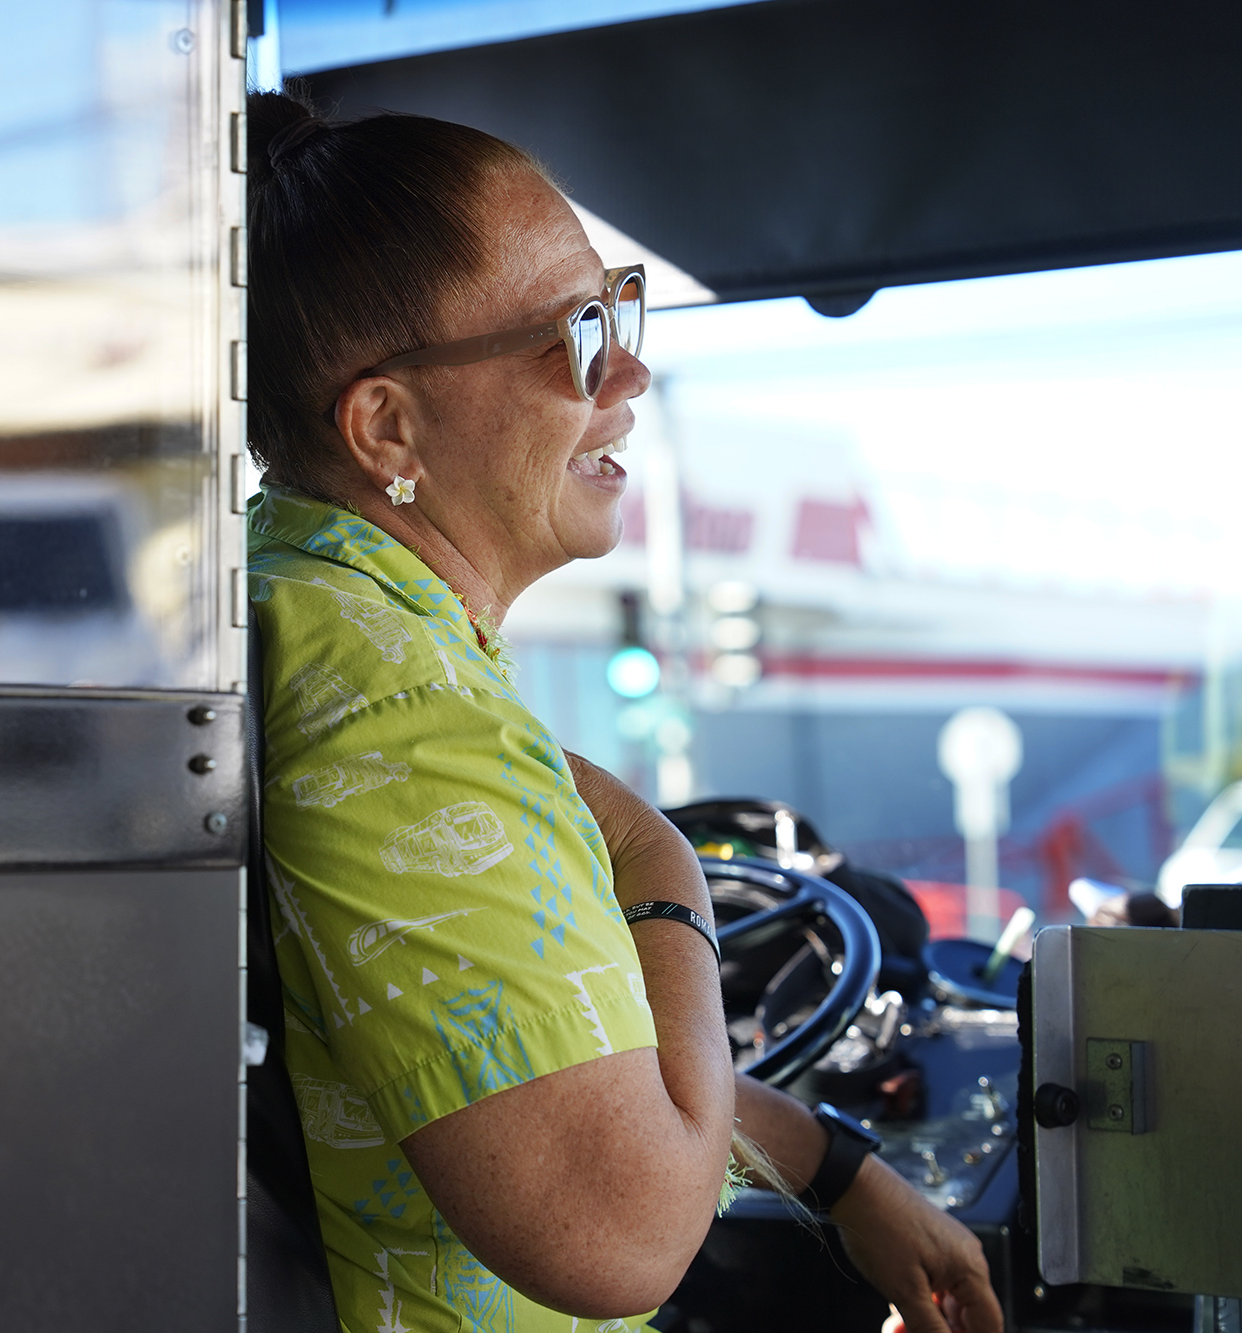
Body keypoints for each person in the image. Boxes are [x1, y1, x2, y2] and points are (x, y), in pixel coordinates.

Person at [246, 88, 1000, 1333]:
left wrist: (831, 1166)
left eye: (617, 307)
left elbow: (542, 1075)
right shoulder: (407, 718)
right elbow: (623, 1237)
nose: (632, 371)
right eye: (573, 334)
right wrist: (663, 869)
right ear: (387, 426)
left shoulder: (329, 618)